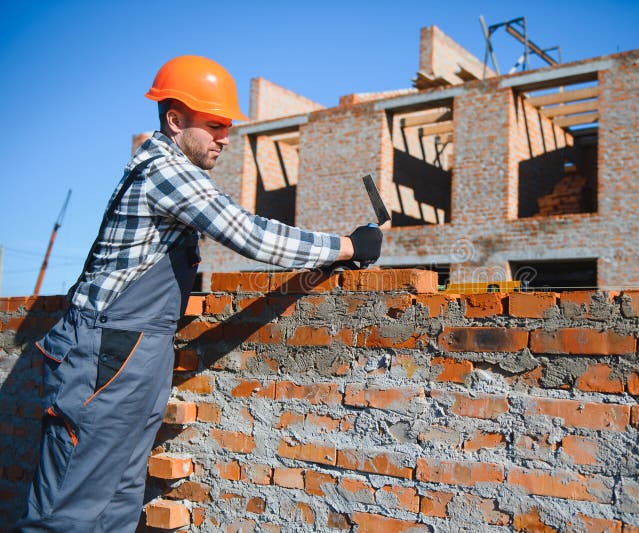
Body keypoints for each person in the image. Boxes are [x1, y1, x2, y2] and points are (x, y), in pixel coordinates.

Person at [16, 55, 382, 531]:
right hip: (106, 356)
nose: (225, 138)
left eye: (226, 126)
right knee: (69, 511)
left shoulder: (162, 169)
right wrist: (347, 245)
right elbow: (250, 235)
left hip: (134, 356)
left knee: (117, 504)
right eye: (214, 126)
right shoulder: (164, 171)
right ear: (175, 119)